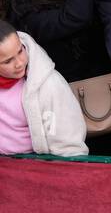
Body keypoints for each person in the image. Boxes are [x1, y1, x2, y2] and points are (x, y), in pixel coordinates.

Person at [0, 21, 87, 156]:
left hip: (35, 166)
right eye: (8, 61)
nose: (19, 63)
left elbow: (69, 146)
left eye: (20, 51)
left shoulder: (49, 84)